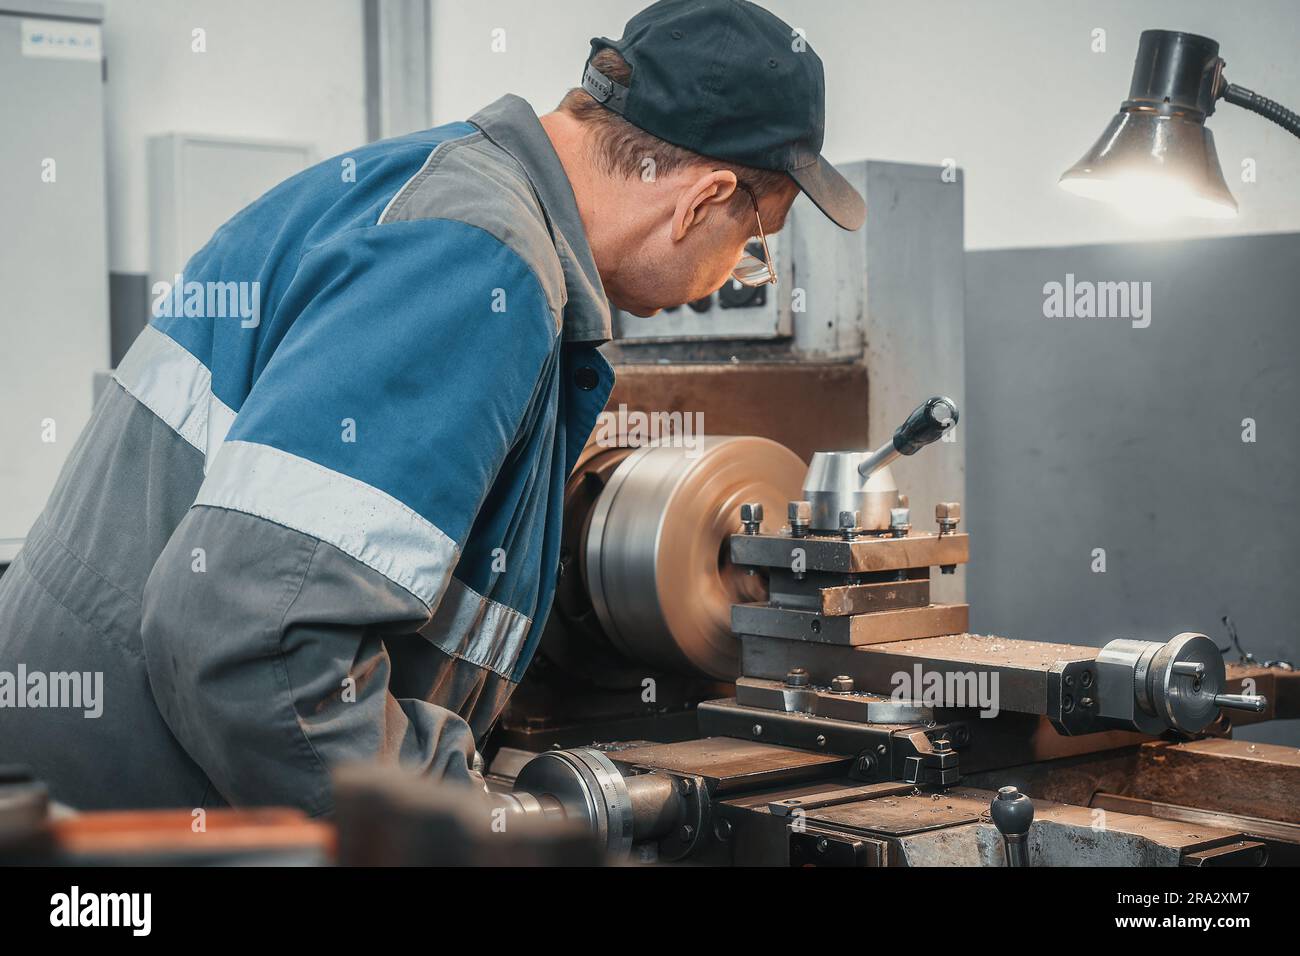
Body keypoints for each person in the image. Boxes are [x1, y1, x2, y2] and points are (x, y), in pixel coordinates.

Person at [0, 0, 864, 814]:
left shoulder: (420, 184)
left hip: (74, 774)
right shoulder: (479, 265)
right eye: (755, 244)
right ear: (704, 199)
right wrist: (463, 827)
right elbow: (256, 641)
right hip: (139, 813)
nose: (737, 270)